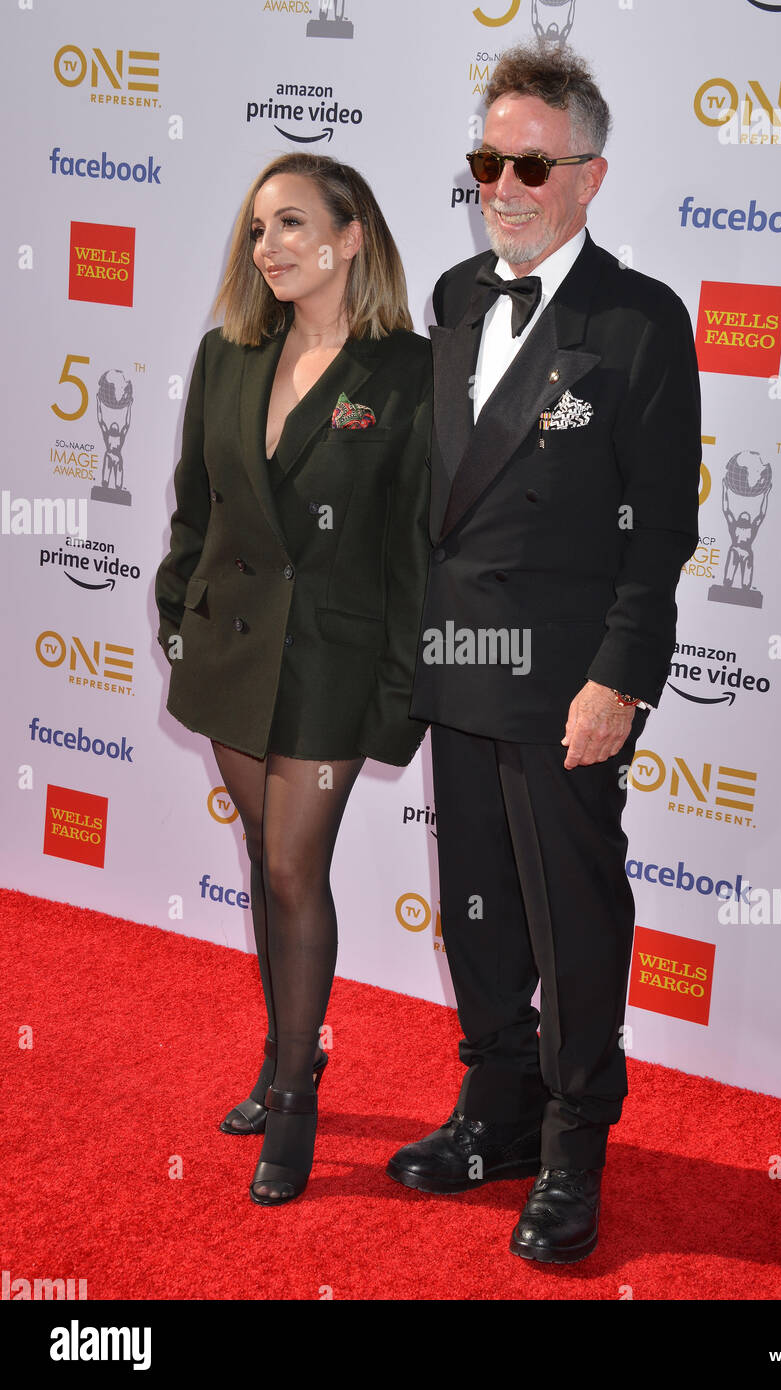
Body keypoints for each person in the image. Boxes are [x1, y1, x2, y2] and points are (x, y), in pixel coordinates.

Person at [387, 44, 701, 1263]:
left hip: (566, 684)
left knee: (573, 920)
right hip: (460, 663)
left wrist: (620, 677)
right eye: (486, 160)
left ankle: (575, 1146)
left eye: (529, 162)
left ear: (589, 175)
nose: (501, 184)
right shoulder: (459, 293)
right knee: (476, 909)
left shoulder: (640, 321)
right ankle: (496, 1112)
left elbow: (661, 527)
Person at [155, 153, 431, 1206]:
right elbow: (196, 510)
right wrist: (180, 618)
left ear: (351, 237)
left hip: (330, 662)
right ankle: (291, 1055)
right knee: (262, 859)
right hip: (229, 646)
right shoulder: (227, 356)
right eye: (258, 228)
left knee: (288, 871)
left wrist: (400, 695)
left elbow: (413, 552)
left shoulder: (408, 372)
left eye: (292, 223)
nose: (267, 245)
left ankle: (296, 1086)